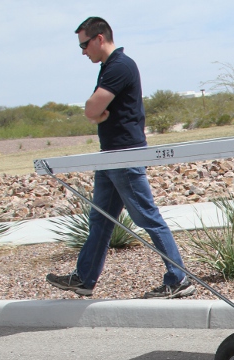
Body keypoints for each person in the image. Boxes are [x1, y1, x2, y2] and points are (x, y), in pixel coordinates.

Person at [46, 17, 195, 298]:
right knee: (101, 219)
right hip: (110, 157)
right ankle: (85, 278)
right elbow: (93, 109)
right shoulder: (108, 68)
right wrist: (96, 111)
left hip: (124, 155)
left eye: (84, 44)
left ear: (99, 38)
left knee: (147, 216)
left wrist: (97, 113)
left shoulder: (119, 66)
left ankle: (178, 278)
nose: (82, 51)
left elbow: (92, 109)